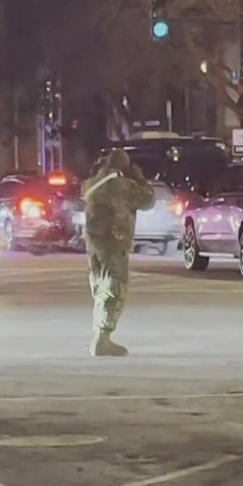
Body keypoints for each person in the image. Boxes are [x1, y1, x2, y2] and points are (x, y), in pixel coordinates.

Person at [81, 149, 155, 357]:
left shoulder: (92, 184)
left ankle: (99, 335)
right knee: (114, 288)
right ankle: (102, 339)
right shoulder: (122, 186)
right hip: (114, 242)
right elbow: (148, 199)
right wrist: (139, 178)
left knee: (100, 287)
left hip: (94, 243)